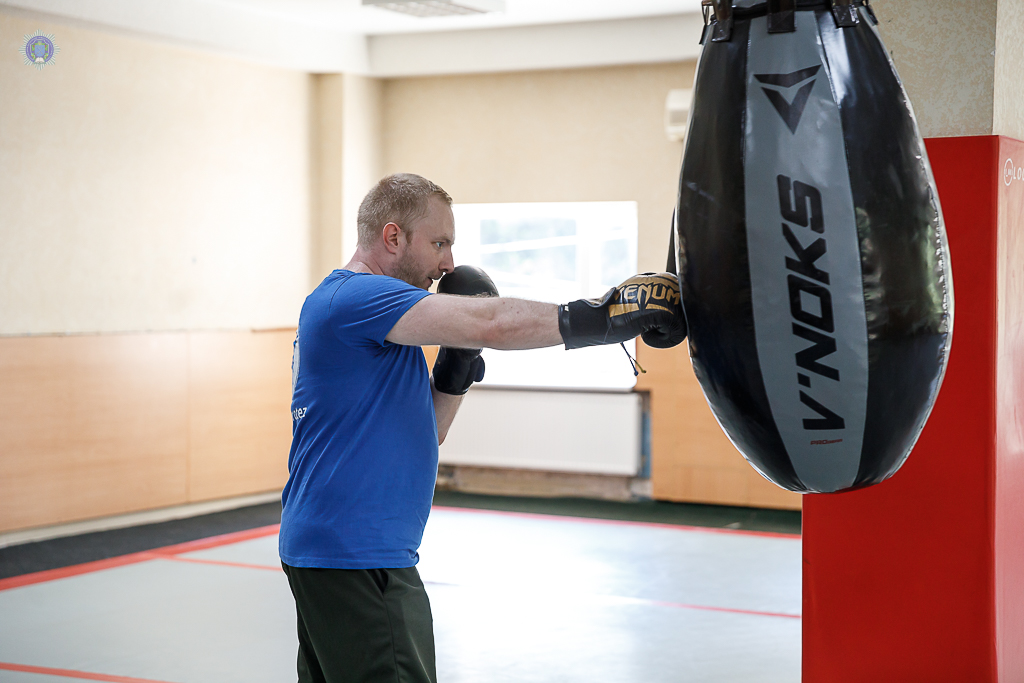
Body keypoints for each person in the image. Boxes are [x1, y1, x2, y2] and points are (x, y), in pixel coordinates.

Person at [279, 173, 685, 683]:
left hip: (341, 550)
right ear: (392, 237)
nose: (447, 263)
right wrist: (607, 314)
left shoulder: (369, 321)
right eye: (439, 243)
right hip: (357, 556)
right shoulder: (355, 298)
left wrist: (454, 371)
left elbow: (424, 434)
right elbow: (490, 322)